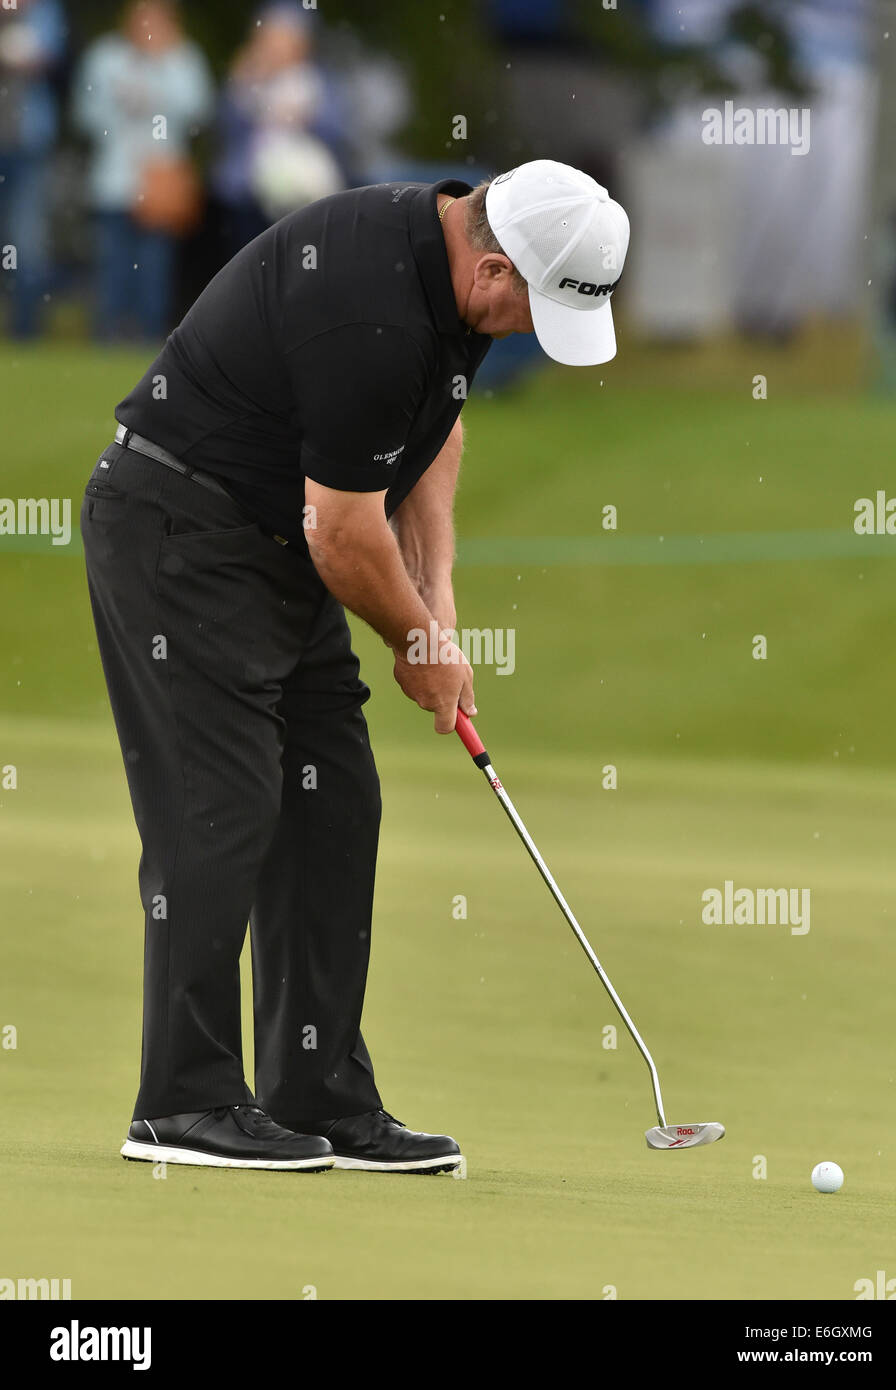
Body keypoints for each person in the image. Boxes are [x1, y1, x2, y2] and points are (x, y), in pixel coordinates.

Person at [79, 160, 629, 1173]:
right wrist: (415, 644)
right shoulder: (370, 312)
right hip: (178, 530)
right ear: (496, 267)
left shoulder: (453, 268)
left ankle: (316, 1092)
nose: (524, 333)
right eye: (532, 310)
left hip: (270, 541)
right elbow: (339, 530)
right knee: (221, 804)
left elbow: (432, 428)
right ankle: (182, 1103)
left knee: (332, 799)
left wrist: (437, 598)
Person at [72, 0, 213, 342]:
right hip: (114, 181)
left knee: (155, 268)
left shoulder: (183, 58)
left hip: (161, 183)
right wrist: (120, 104)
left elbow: (199, 110)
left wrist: (156, 87)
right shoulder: (105, 57)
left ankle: (150, 339)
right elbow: (85, 115)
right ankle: (108, 337)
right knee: (112, 266)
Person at [213, 2, 347, 258]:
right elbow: (227, 125)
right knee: (247, 261)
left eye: (285, 38)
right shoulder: (245, 76)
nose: (276, 47)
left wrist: (303, 117)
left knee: (292, 259)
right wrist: (243, 82)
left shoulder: (316, 81)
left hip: (298, 195)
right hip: (247, 194)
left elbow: (334, 131)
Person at [0, 0, 68, 338]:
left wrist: (25, 56)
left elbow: (49, 57)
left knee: (27, 239)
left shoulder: (45, 10)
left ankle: (25, 332)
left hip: (27, 144)